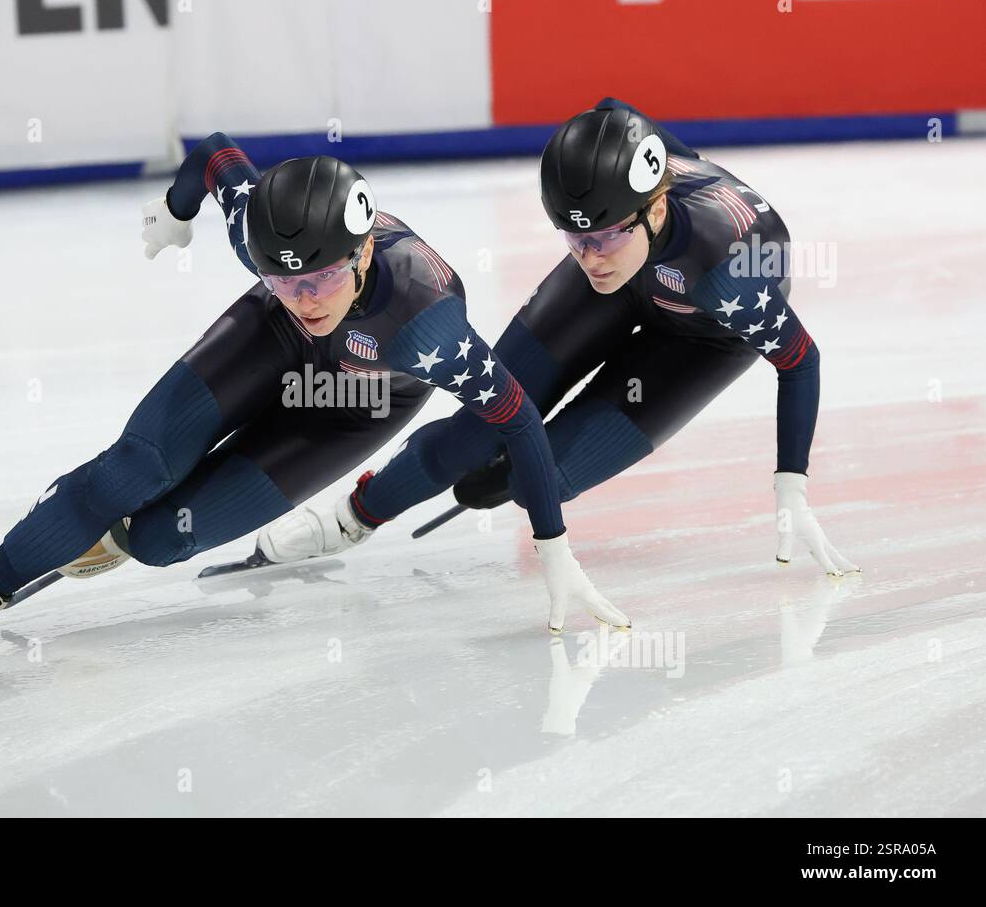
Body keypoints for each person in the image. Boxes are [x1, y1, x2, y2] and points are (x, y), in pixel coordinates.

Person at [0, 133, 629, 637]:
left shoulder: (425, 323)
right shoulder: (261, 235)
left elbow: (520, 419)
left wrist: (554, 550)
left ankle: (114, 529)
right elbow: (212, 154)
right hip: (265, 342)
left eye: (326, 276)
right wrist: (177, 214)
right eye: (286, 277)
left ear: (364, 251)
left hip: (364, 399)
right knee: (136, 466)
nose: (308, 296)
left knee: (156, 538)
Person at [256, 98, 859, 592]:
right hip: (627, 287)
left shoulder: (732, 265)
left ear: (654, 208)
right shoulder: (611, 235)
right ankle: (352, 517)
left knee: (532, 479)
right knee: (476, 429)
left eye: (601, 237)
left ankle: (510, 472)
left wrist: (792, 490)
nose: (588, 254)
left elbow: (802, 360)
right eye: (574, 236)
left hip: (707, 337)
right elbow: (613, 112)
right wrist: (603, 239)